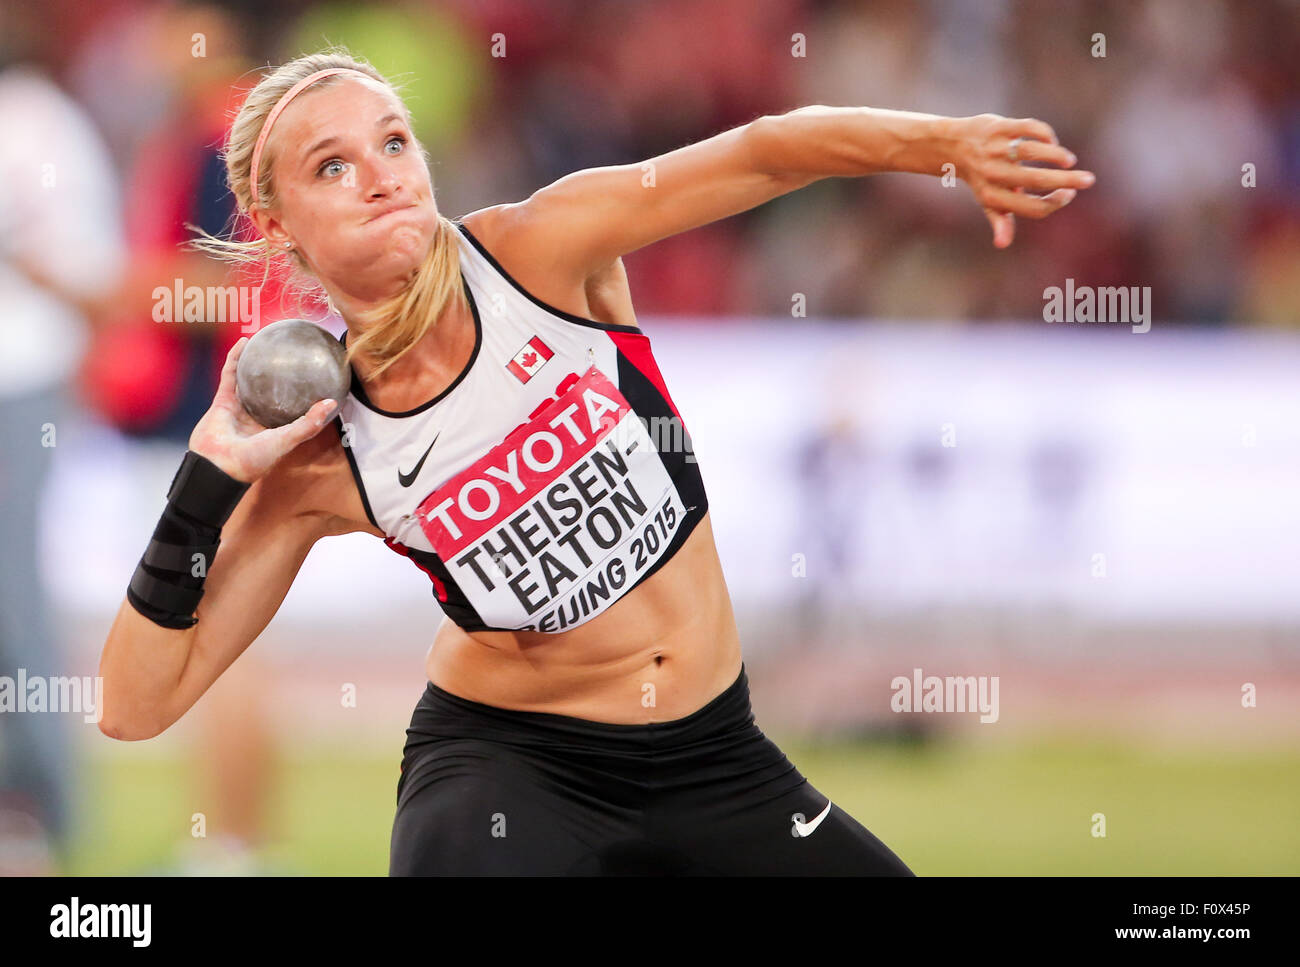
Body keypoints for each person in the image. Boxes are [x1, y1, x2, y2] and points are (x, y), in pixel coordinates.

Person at [96, 49, 1093, 875]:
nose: (382, 172)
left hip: (718, 756)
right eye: (332, 166)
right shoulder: (328, 451)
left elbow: (764, 152)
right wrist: (207, 481)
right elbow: (137, 704)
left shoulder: (537, 252)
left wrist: (944, 145)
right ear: (276, 227)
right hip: (512, 775)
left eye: (393, 141)